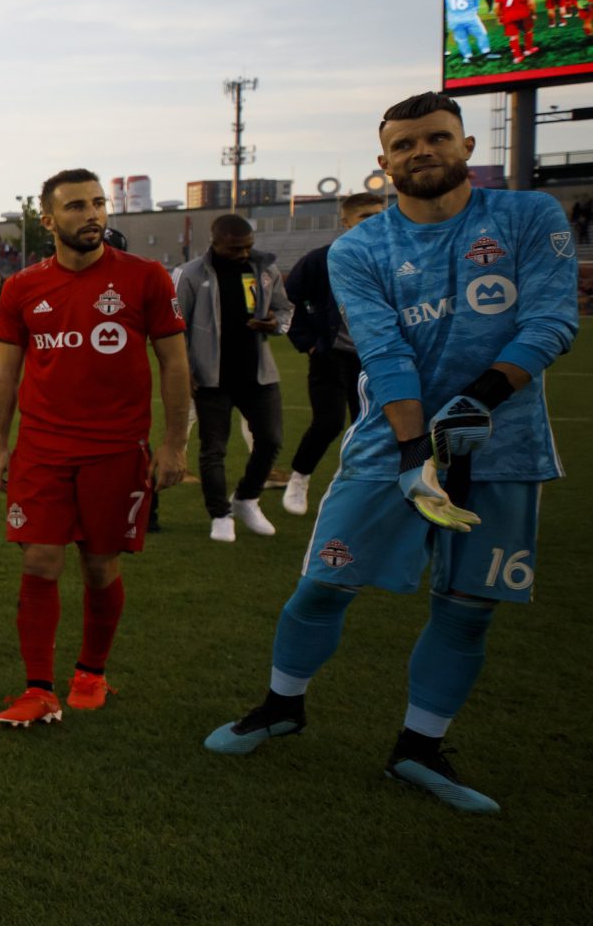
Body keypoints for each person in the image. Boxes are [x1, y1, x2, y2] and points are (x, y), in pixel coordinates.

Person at [204, 93, 577, 813]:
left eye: (437, 138)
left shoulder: (529, 218)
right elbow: (384, 350)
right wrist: (416, 451)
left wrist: (477, 404)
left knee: (468, 609)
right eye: (405, 145)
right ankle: (283, 706)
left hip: (504, 449)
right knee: (322, 585)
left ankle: (418, 748)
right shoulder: (360, 248)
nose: (422, 152)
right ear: (384, 164)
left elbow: (552, 321)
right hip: (388, 450)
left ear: (466, 146)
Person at [0, 171, 191, 725]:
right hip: (42, 449)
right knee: (39, 560)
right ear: (49, 221)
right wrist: (0, 445)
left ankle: (91, 671)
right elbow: (7, 372)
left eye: (98, 203)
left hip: (116, 450)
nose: (92, 214)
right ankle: (37, 689)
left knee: (99, 567)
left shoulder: (145, 278)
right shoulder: (22, 287)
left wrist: (174, 446)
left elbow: (174, 363)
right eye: (76, 206)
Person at [173, 214, 291, 542]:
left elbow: (285, 310)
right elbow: (174, 327)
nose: (243, 253)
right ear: (215, 242)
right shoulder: (190, 274)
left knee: (270, 440)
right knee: (214, 449)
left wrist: (275, 323)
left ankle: (246, 499)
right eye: (235, 248)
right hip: (211, 377)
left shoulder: (265, 268)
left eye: (248, 247)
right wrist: (185, 372)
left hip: (258, 372)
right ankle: (220, 514)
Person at [280, 192, 389, 513]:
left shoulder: (392, 258)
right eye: (366, 215)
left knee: (369, 425)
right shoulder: (320, 260)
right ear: (345, 221)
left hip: (376, 357)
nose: (376, 220)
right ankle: (299, 479)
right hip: (332, 354)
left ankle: (360, 488)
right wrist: (309, 341)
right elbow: (287, 302)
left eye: (380, 213)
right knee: (328, 422)